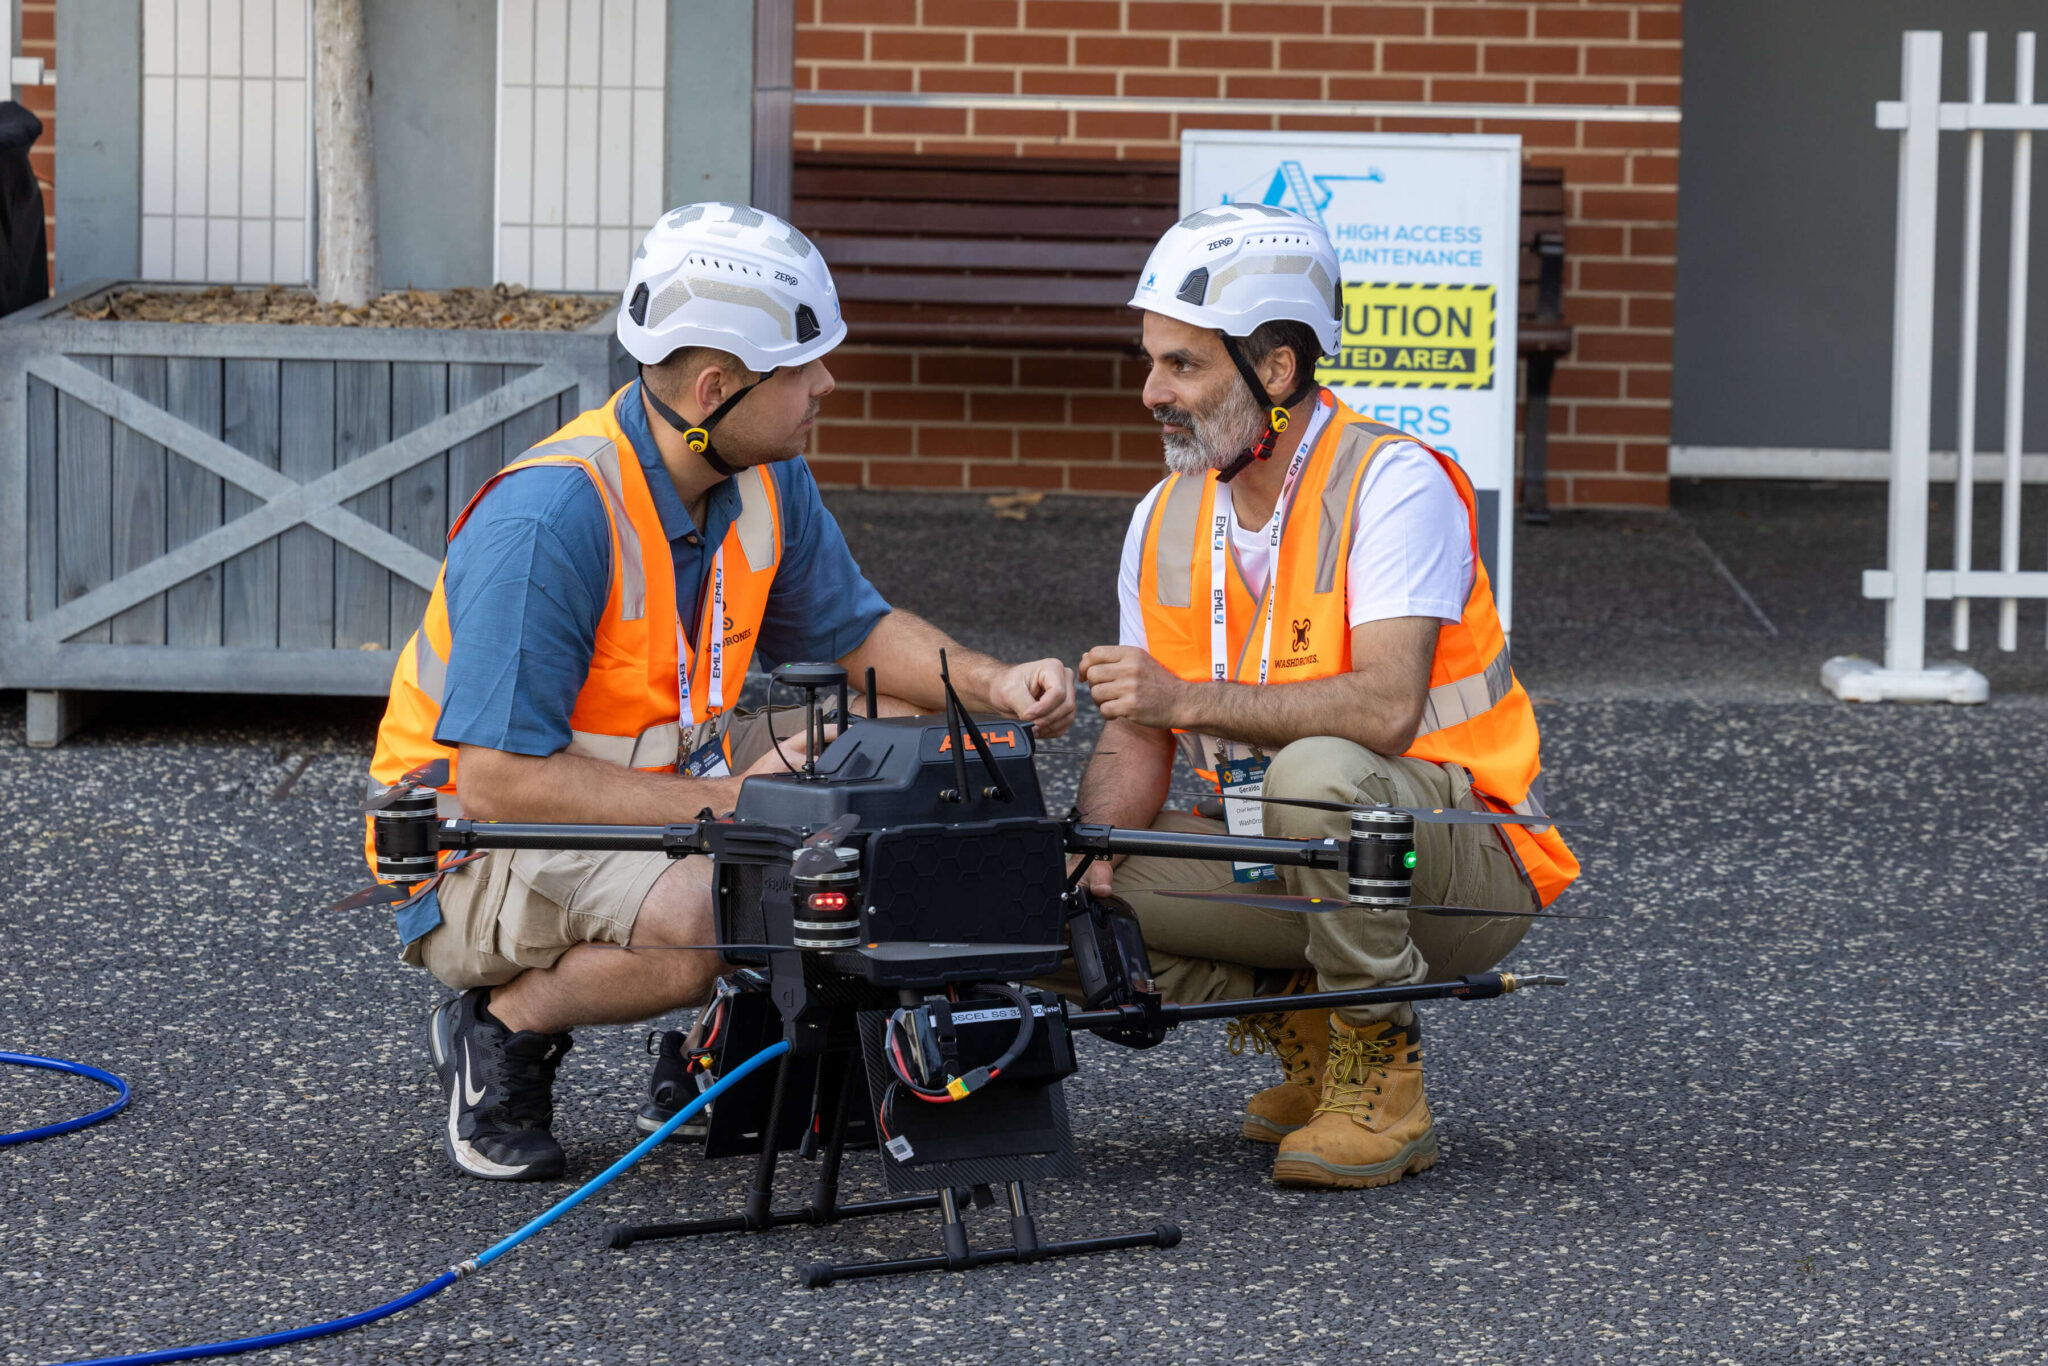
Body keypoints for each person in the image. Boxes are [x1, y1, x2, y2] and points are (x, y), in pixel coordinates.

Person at [366, 202, 1077, 1181]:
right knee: (714, 910)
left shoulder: (762, 472)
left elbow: (856, 636)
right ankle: (502, 1027)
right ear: (715, 388)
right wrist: (742, 804)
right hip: (474, 844)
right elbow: (496, 779)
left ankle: (726, 1045)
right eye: (803, 367)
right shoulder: (550, 518)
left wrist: (995, 682)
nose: (827, 384)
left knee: (916, 742)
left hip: (667, 774)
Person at [1071, 204, 1577, 1191]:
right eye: (1151, 361)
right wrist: (1086, 854)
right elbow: (1140, 731)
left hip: (1462, 862)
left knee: (1316, 779)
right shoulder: (1161, 514)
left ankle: (1381, 1075)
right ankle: (1304, 1027)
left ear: (1276, 370)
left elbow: (1385, 711)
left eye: (1183, 365)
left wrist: (1185, 694)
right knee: (1038, 893)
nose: (1151, 393)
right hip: (1285, 852)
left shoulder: (1392, 482)